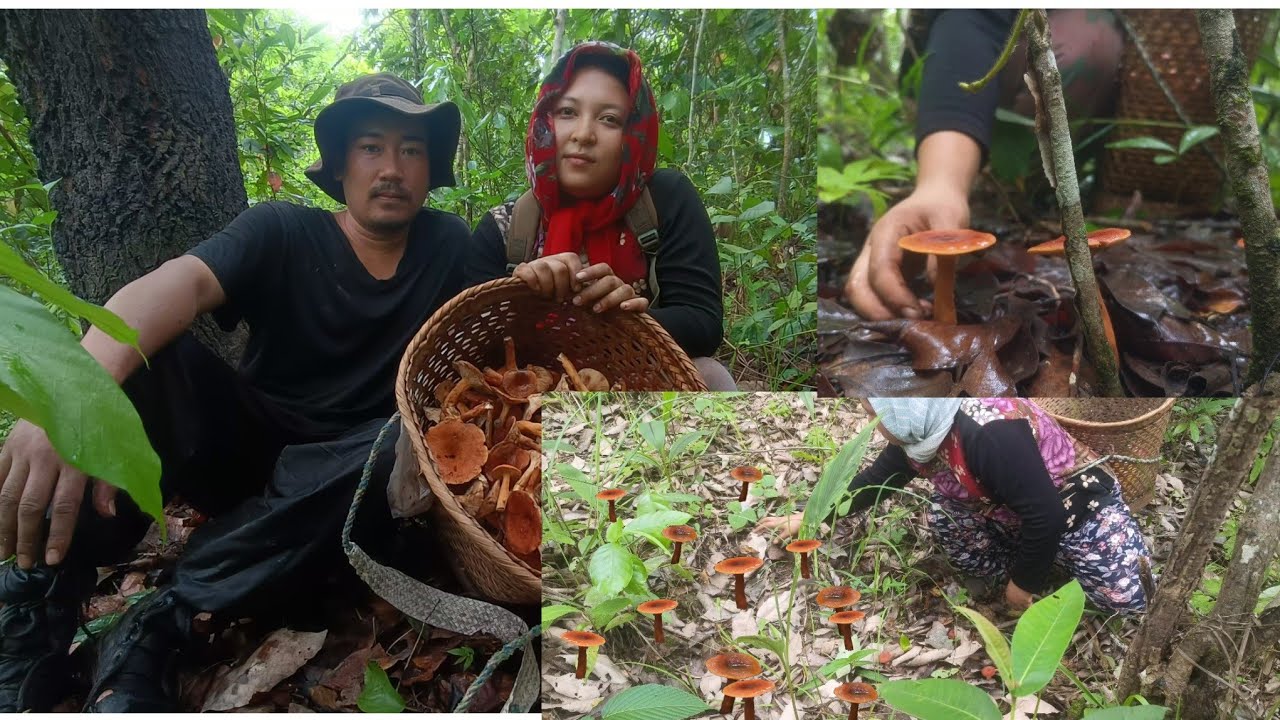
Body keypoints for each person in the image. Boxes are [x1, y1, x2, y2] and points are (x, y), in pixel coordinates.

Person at [0, 73, 468, 711]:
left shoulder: (450, 245)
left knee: (404, 439)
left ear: (430, 166)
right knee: (146, 359)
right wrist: (68, 392)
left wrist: (561, 279)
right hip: (256, 458)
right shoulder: (282, 229)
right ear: (339, 165)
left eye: (411, 149)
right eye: (371, 146)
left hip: (356, 485)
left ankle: (162, 622)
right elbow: (179, 286)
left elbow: (510, 319)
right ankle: (30, 624)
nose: (392, 168)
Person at [464, 42, 734, 390]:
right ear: (545, 122)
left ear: (633, 134)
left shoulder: (665, 200)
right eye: (567, 113)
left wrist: (625, 320)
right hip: (534, 399)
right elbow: (470, 341)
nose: (583, 134)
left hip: (642, 386)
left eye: (609, 119)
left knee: (711, 375)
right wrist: (520, 293)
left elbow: (703, 322)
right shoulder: (503, 228)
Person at [846, 10, 1124, 320]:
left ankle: (1032, 186)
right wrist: (940, 186)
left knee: (1090, 44)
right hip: (975, 67)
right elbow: (972, 18)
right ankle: (1000, 182)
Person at [757, 398, 1151, 614]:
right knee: (944, 511)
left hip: (1075, 507)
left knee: (1127, 598)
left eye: (873, 416)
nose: (872, 425)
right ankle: (1021, 565)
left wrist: (1021, 587)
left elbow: (1046, 515)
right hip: (1006, 514)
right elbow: (876, 482)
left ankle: (1040, 568)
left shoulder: (990, 435)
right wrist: (811, 517)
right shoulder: (920, 433)